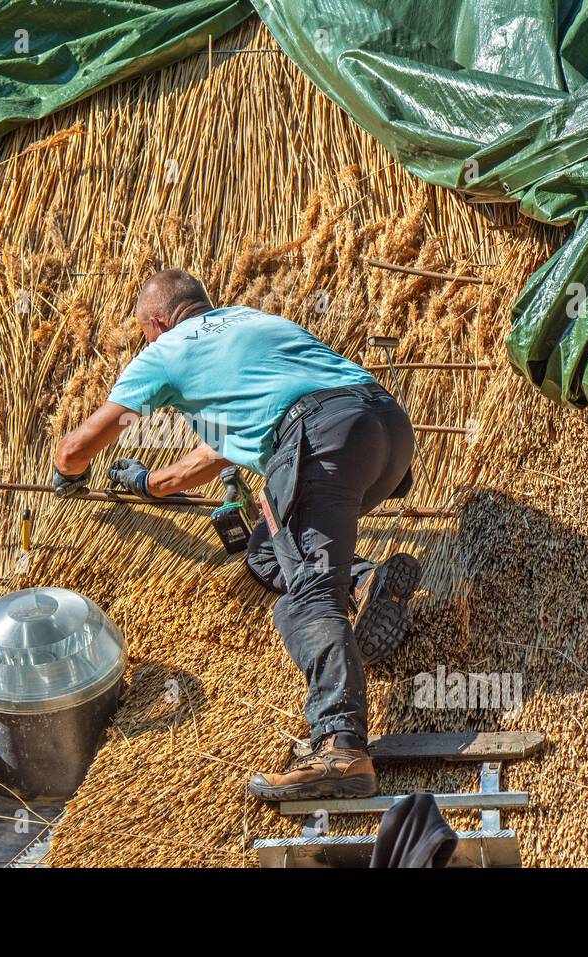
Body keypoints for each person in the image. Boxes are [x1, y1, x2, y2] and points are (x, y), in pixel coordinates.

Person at [52, 269, 418, 801]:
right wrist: (147, 482)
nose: (147, 342)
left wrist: (68, 473)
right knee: (270, 550)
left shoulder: (165, 352)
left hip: (322, 441)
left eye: (145, 333)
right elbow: (213, 454)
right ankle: (364, 581)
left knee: (304, 603)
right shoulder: (254, 322)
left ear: (157, 322)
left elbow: (83, 441)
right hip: (385, 430)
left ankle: (340, 747)